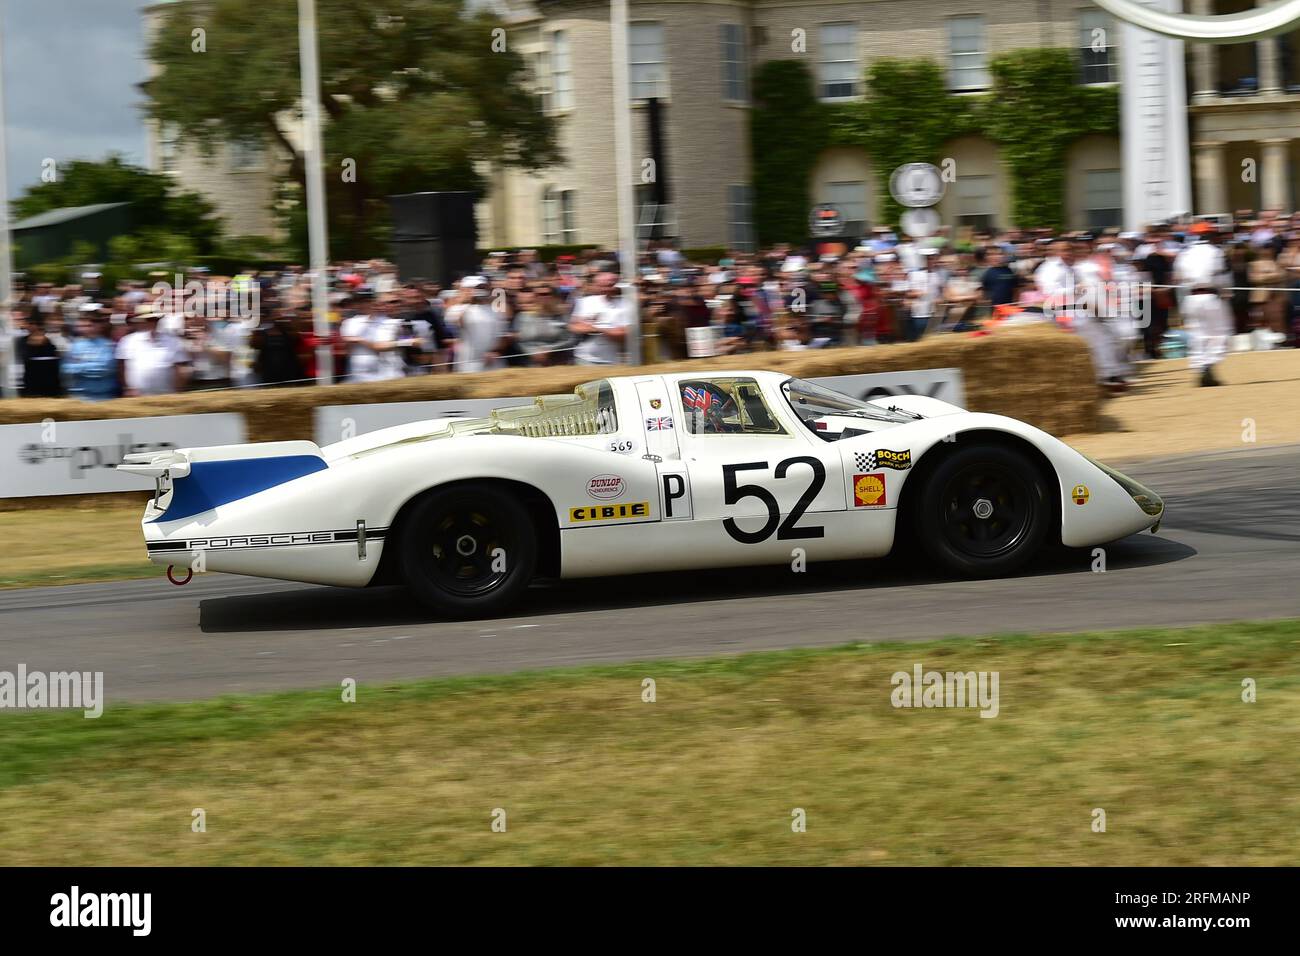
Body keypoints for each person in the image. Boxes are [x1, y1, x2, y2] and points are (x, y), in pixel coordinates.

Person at [1173, 221, 1233, 387]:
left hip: (1190, 298)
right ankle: (1209, 365)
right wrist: (1227, 294)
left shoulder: (1184, 254)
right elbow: (1222, 277)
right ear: (1210, 235)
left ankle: (1199, 367)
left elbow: (1177, 277)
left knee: (1197, 335)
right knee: (1220, 333)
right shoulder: (1216, 252)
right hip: (1211, 297)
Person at [116, 307, 190, 396]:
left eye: (155, 319)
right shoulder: (127, 341)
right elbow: (121, 367)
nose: (152, 322)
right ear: (141, 321)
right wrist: (127, 388)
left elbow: (181, 368)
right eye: (148, 319)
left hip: (167, 395)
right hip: (137, 396)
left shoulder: (174, 341)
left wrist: (178, 391)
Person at [63, 310, 119, 400]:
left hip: (105, 396)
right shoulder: (75, 346)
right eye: (88, 325)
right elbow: (67, 369)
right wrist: (93, 366)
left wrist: (80, 365)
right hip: (81, 397)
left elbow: (105, 367)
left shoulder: (108, 345)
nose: (91, 327)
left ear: (100, 326)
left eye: (94, 324)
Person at [18, 315, 63, 397]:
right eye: (29, 323)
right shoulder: (21, 341)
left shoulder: (51, 341)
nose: (30, 326)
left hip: (49, 385)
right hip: (31, 385)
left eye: (33, 324)